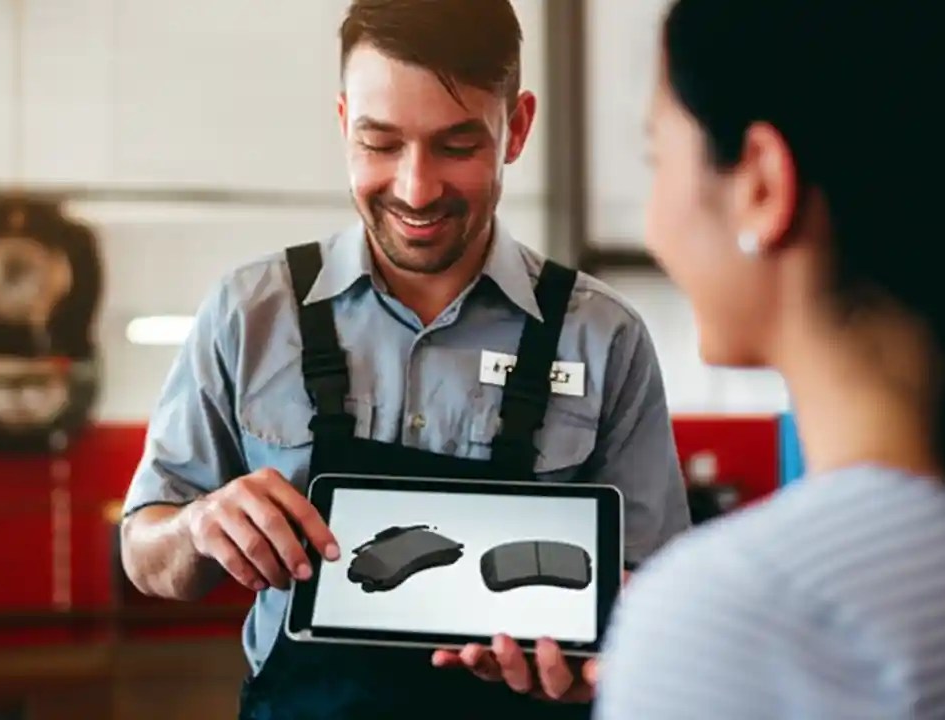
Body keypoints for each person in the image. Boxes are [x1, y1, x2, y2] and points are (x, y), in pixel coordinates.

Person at [118, 0, 691, 717]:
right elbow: (146, 557)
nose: (416, 190)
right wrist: (196, 526)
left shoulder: (604, 339)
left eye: (457, 146)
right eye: (380, 144)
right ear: (342, 124)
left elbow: (662, 603)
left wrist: (603, 661)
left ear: (515, 128)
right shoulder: (249, 313)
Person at [593, 0, 945, 717]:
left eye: (657, 158)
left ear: (762, 184)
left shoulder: (737, 607)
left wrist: (674, 660)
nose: (654, 223)